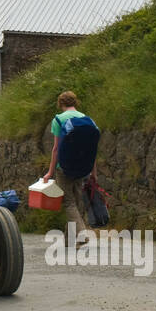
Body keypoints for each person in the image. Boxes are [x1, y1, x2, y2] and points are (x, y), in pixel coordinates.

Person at [41, 91, 101, 234]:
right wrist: (94, 172)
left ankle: (82, 234)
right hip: (83, 168)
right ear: (75, 102)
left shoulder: (59, 120)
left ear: (60, 103)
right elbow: (91, 149)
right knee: (77, 202)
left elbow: (56, 149)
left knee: (68, 202)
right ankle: (71, 240)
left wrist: (50, 172)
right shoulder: (88, 120)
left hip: (64, 168)